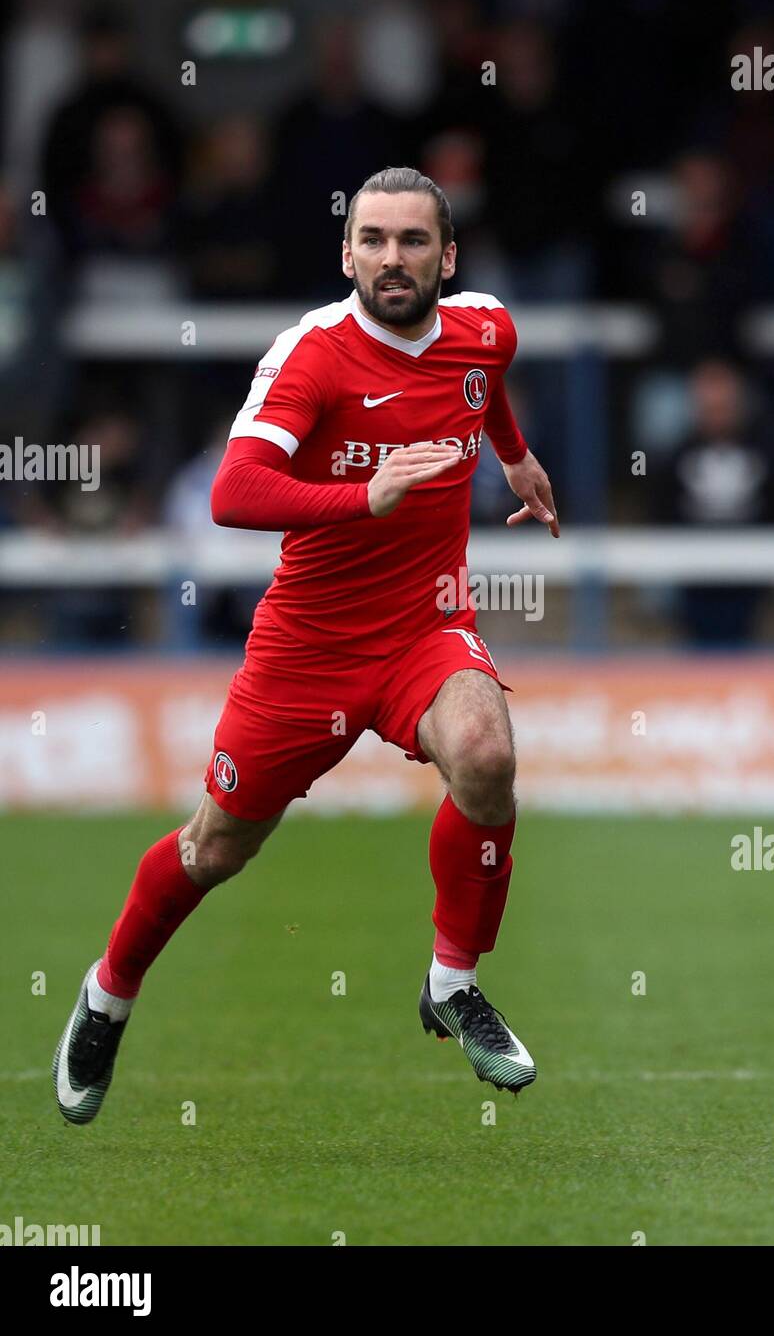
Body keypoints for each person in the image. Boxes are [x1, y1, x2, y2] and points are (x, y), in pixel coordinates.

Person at [52, 167, 559, 1124]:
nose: (391, 259)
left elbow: (480, 387)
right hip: (308, 648)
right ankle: (108, 993)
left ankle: (452, 984)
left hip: (426, 625)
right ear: (346, 254)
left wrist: (514, 456)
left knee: (486, 757)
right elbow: (231, 494)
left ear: (447, 258)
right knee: (214, 849)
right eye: (372, 240)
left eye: (413, 241)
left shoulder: (487, 328)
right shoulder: (313, 356)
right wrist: (361, 497)